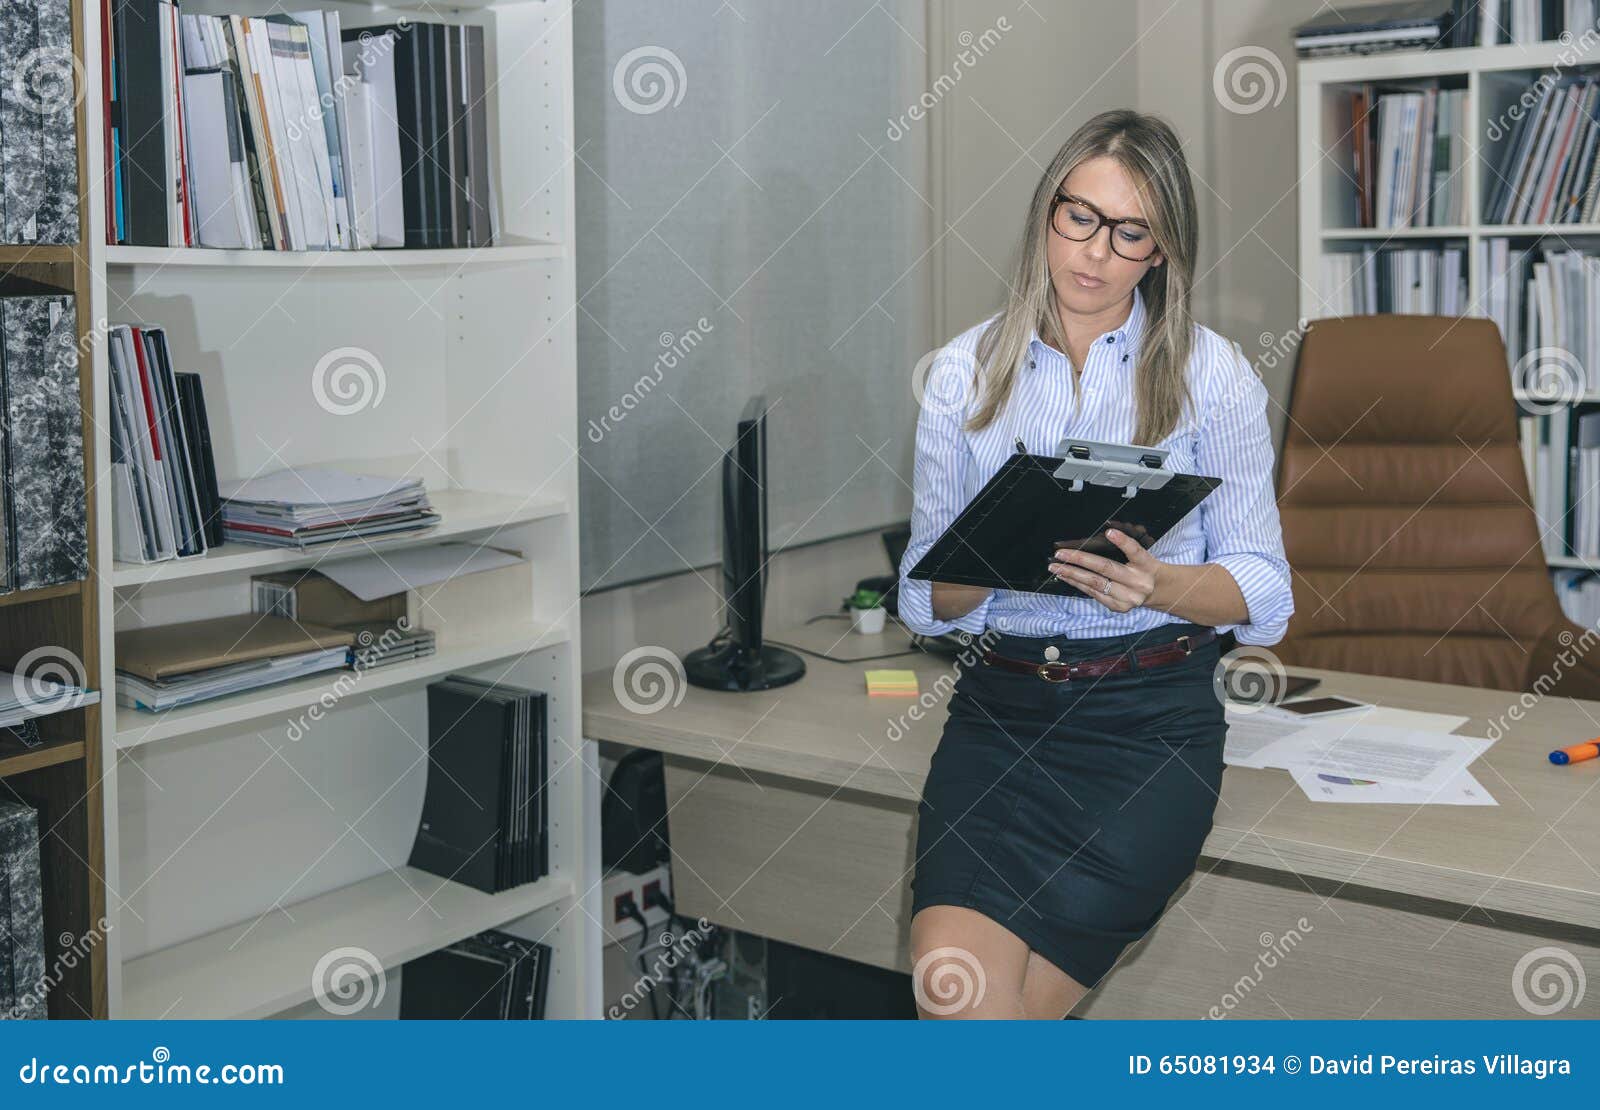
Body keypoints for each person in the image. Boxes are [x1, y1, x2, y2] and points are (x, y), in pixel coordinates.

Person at [896, 109, 1293, 1019]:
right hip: (1000, 720)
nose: (1096, 251)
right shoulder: (963, 372)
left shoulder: (1212, 374)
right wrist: (998, 552)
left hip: (1145, 730)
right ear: (1047, 214)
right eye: (1080, 216)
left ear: (1160, 251)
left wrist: (1160, 584)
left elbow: (1264, 591)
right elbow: (924, 598)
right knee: (955, 1002)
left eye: (1130, 232)